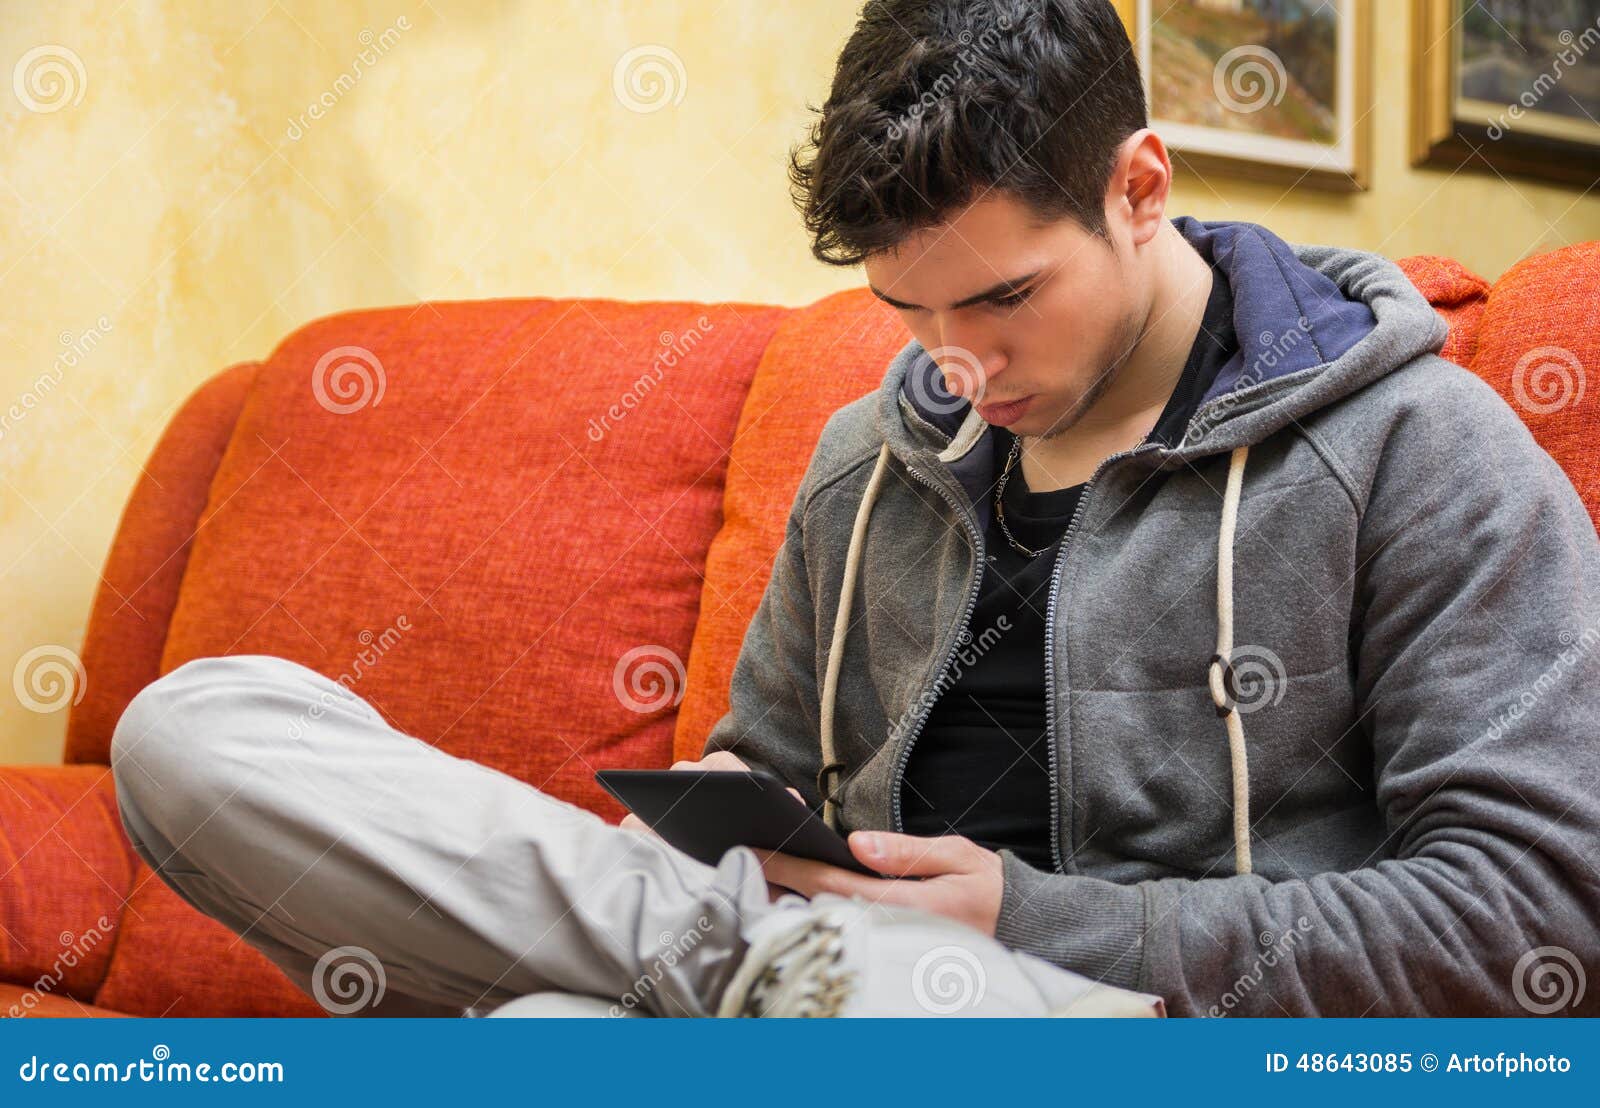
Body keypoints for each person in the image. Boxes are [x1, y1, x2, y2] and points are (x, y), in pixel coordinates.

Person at [112, 0, 1600, 1018]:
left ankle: (766, 985)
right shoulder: (868, 457)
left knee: (719, 1009)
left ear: (1141, 189)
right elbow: (756, 781)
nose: (960, 361)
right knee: (196, 732)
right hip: (814, 973)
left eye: (1008, 297)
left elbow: (1533, 922)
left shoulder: (1418, 448)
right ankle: (757, 982)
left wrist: (1017, 923)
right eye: (908, 310)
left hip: (1123, 1021)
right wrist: (736, 843)